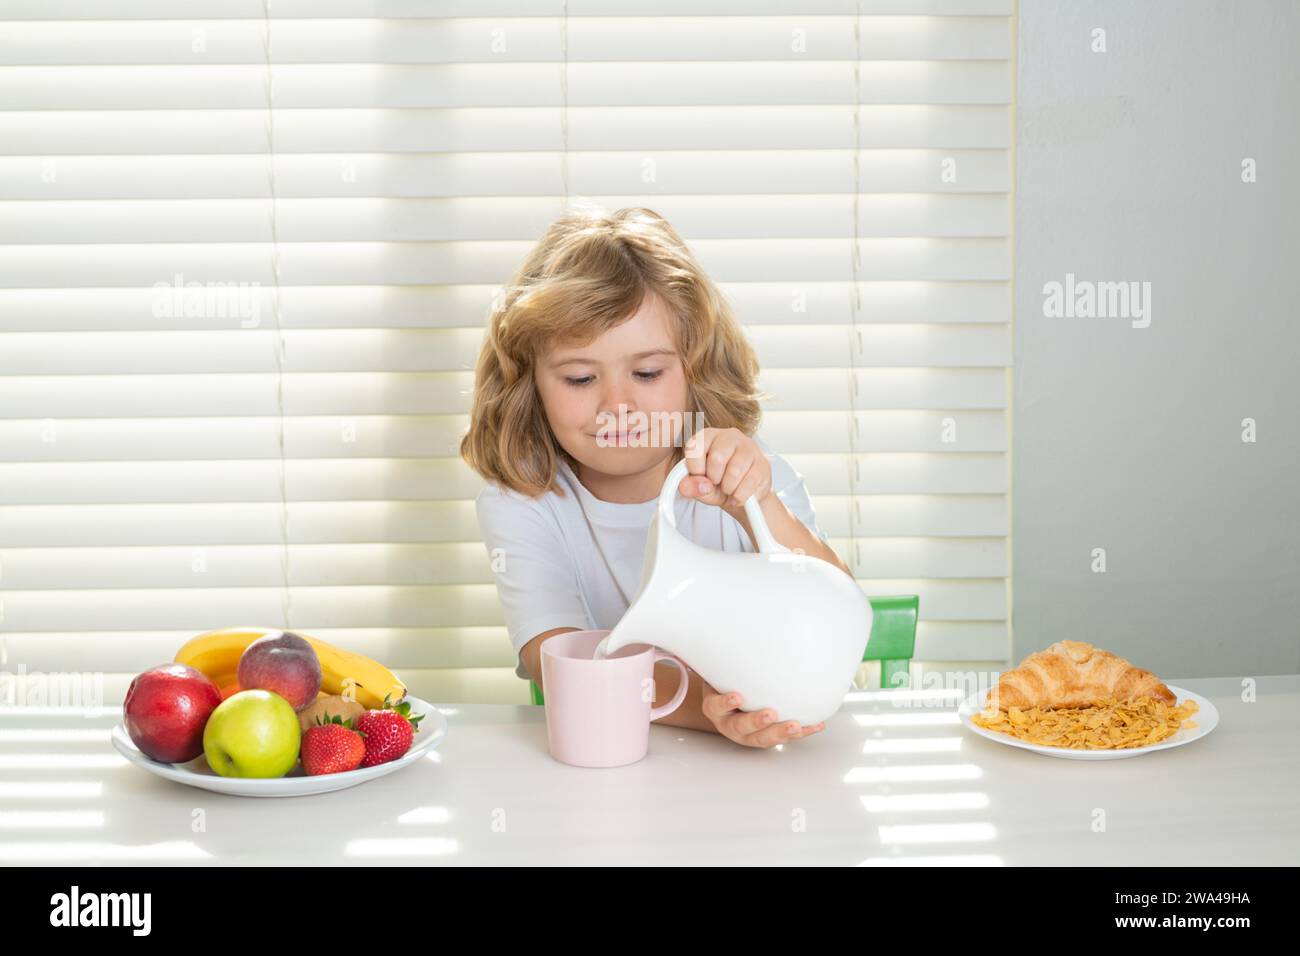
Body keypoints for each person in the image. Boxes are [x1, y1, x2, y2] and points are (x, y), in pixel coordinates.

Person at [461, 206, 856, 748]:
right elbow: (556, 660)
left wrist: (759, 506)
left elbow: (838, 609)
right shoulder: (524, 502)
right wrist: (711, 713)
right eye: (580, 378)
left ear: (696, 370)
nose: (617, 405)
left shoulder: (748, 470)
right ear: (530, 385)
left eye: (647, 373)